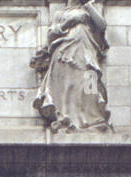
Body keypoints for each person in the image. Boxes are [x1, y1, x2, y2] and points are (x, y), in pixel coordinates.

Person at [31, 1, 110, 132]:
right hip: (64, 53)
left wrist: (89, 6)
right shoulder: (61, 13)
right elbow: (51, 35)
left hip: (86, 52)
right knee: (68, 86)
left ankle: (92, 118)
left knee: (89, 83)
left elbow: (102, 26)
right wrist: (71, 21)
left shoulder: (89, 10)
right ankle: (66, 119)